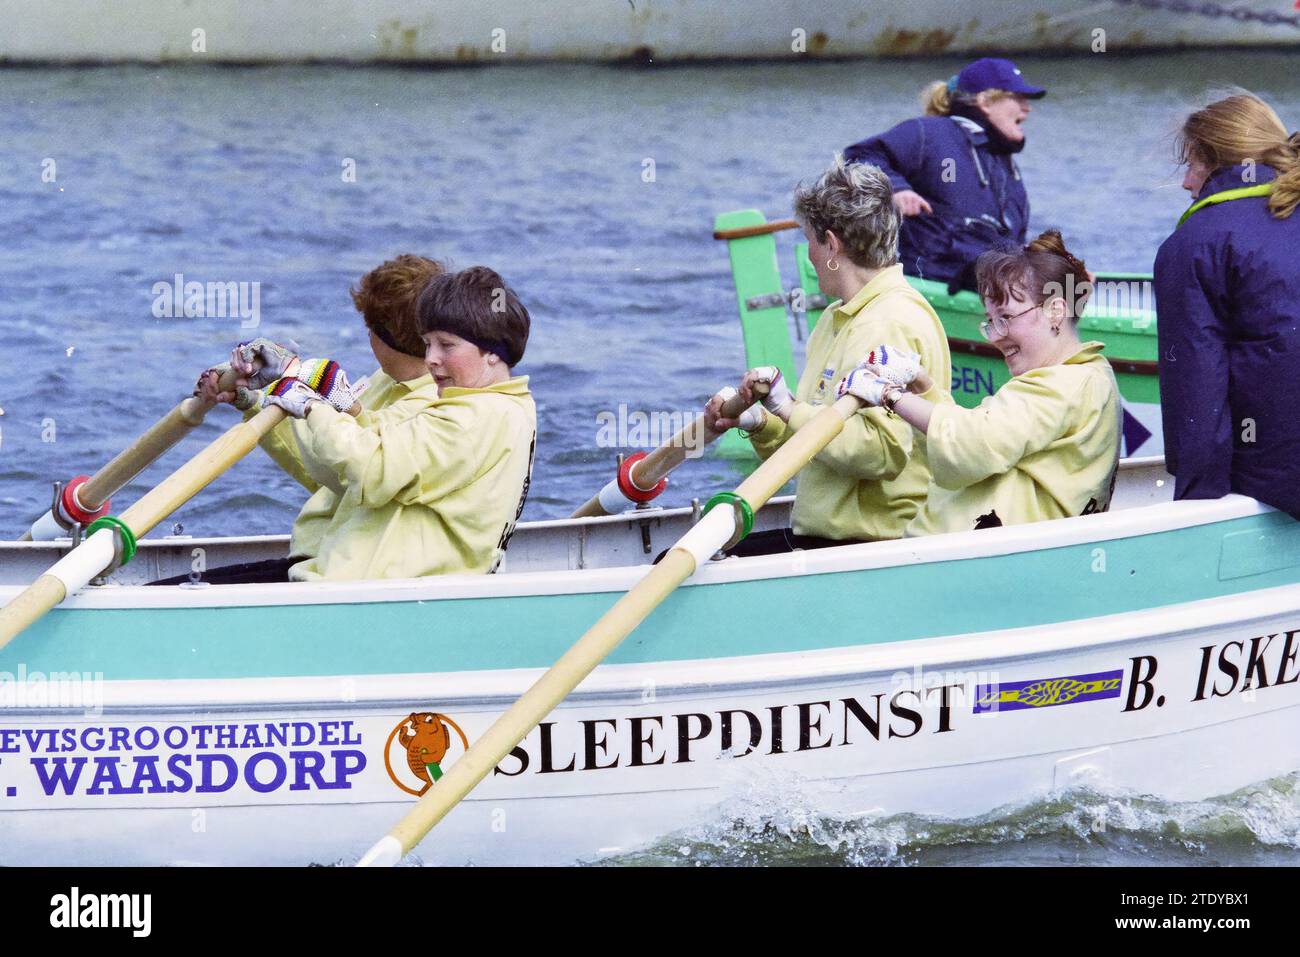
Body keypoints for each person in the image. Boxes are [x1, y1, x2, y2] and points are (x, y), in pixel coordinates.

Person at [179, 259, 536, 582]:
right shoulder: (492, 404)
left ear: (492, 351)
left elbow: (369, 468)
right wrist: (260, 399)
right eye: (427, 344)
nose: (431, 359)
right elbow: (377, 446)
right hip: (346, 572)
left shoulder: (472, 416)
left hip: (362, 590)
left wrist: (309, 404)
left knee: (179, 594)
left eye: (446, 345)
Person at [704, 157, 953, 554]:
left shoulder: (889, 323)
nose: (809, 256)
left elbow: (879, 454)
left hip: (872, 542)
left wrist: (786, 406)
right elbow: (815, 445)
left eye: (810, 241)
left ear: (832, 245)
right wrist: (758, 421)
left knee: (687, 563)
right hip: (823, 531)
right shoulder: (838, 318)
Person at [839, 231, 1121, 535]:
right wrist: (921, 386)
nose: (996, 335)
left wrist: (888, 396)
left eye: (1006, 317)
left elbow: (971, 445)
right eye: (990, 321)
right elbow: (971, 434)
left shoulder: (1064, 384)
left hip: (975, 565)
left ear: (1056, 310)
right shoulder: (1089, 375)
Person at [1154, 92, 1300, 519]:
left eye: (1192, 164)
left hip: (1279, 478)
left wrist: (1197, 509)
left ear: (1218, 162)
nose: (1186, 182)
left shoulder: (1197, 243)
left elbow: (1198, 388)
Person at [843, 57, 1046, 292]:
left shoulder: (1004, 164)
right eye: (1018, 98)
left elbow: (1014, 242)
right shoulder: (929, 133)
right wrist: (895, 189)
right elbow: (856, 158)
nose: (1027, 108)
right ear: (985, 102)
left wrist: (1046, 264)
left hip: (989, 286)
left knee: (1062, 280)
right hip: (935, 284)